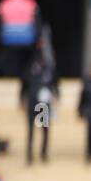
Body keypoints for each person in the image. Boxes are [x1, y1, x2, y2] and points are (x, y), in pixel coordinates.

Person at [20, 32, 57, 166]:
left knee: (44, 129)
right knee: (30, 130)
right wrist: (21, 100)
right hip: (32, 101)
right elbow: (23, 85)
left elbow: (54, 84)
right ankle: (29, 154)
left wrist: (55, 96)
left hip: (44, 105)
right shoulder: (30, 68)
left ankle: (43, 153)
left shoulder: (48, 69)